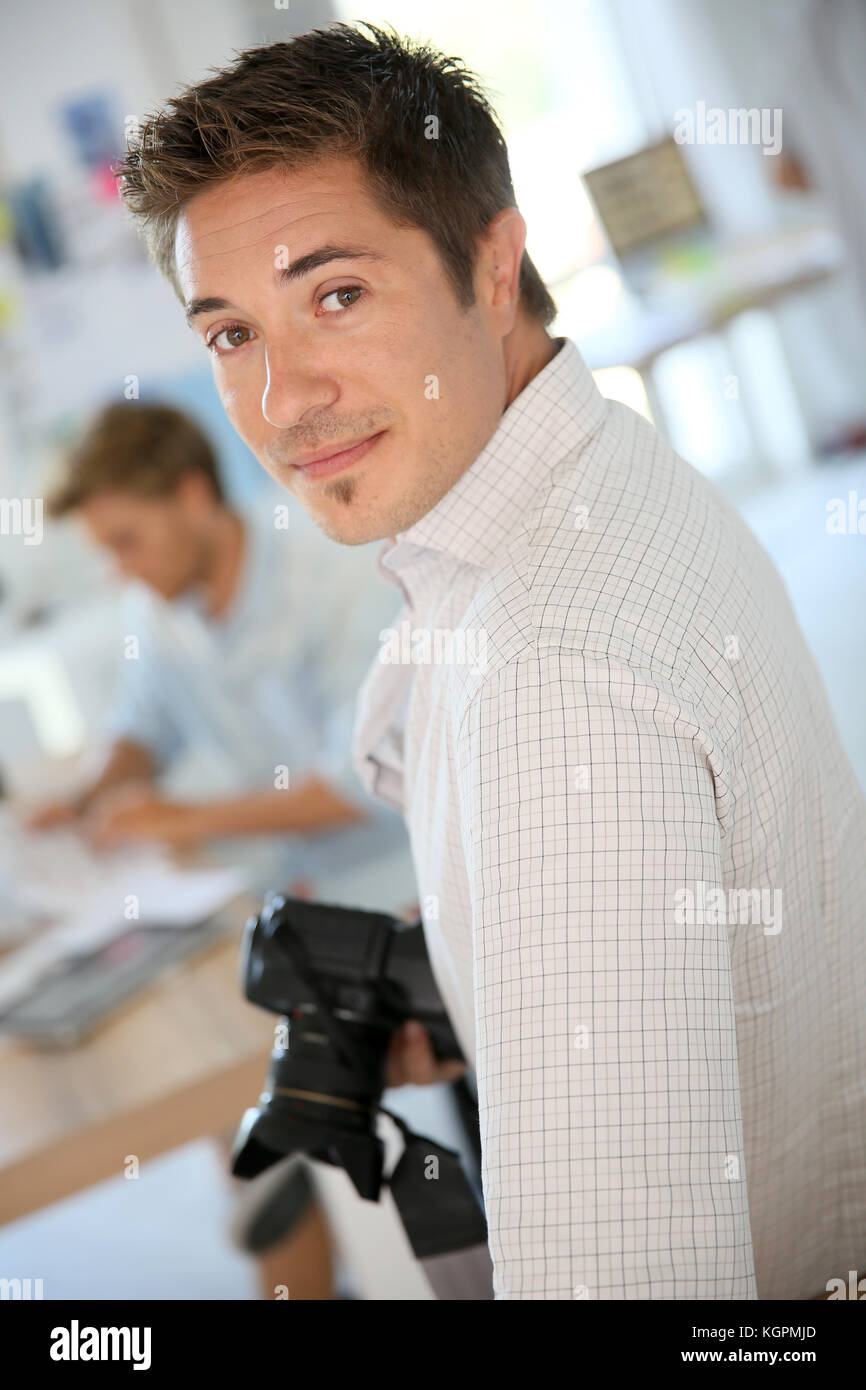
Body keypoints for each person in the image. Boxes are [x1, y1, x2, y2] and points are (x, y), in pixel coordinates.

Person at [113, 21, 866, 1300]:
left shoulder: (546, 675)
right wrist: (490, 978)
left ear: (494, 263)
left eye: (336, 296)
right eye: (231, 334)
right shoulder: (594, 477)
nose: (282, 399)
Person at [25, 399, 405, 894]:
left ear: (192, 496)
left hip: (396, 881)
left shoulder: (338, 572)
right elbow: (143, 726)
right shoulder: (157, 603)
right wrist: (83, 801)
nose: (120, 572)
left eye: (127, 541)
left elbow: (362, 782)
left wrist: (187, 819)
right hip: (292, 883)